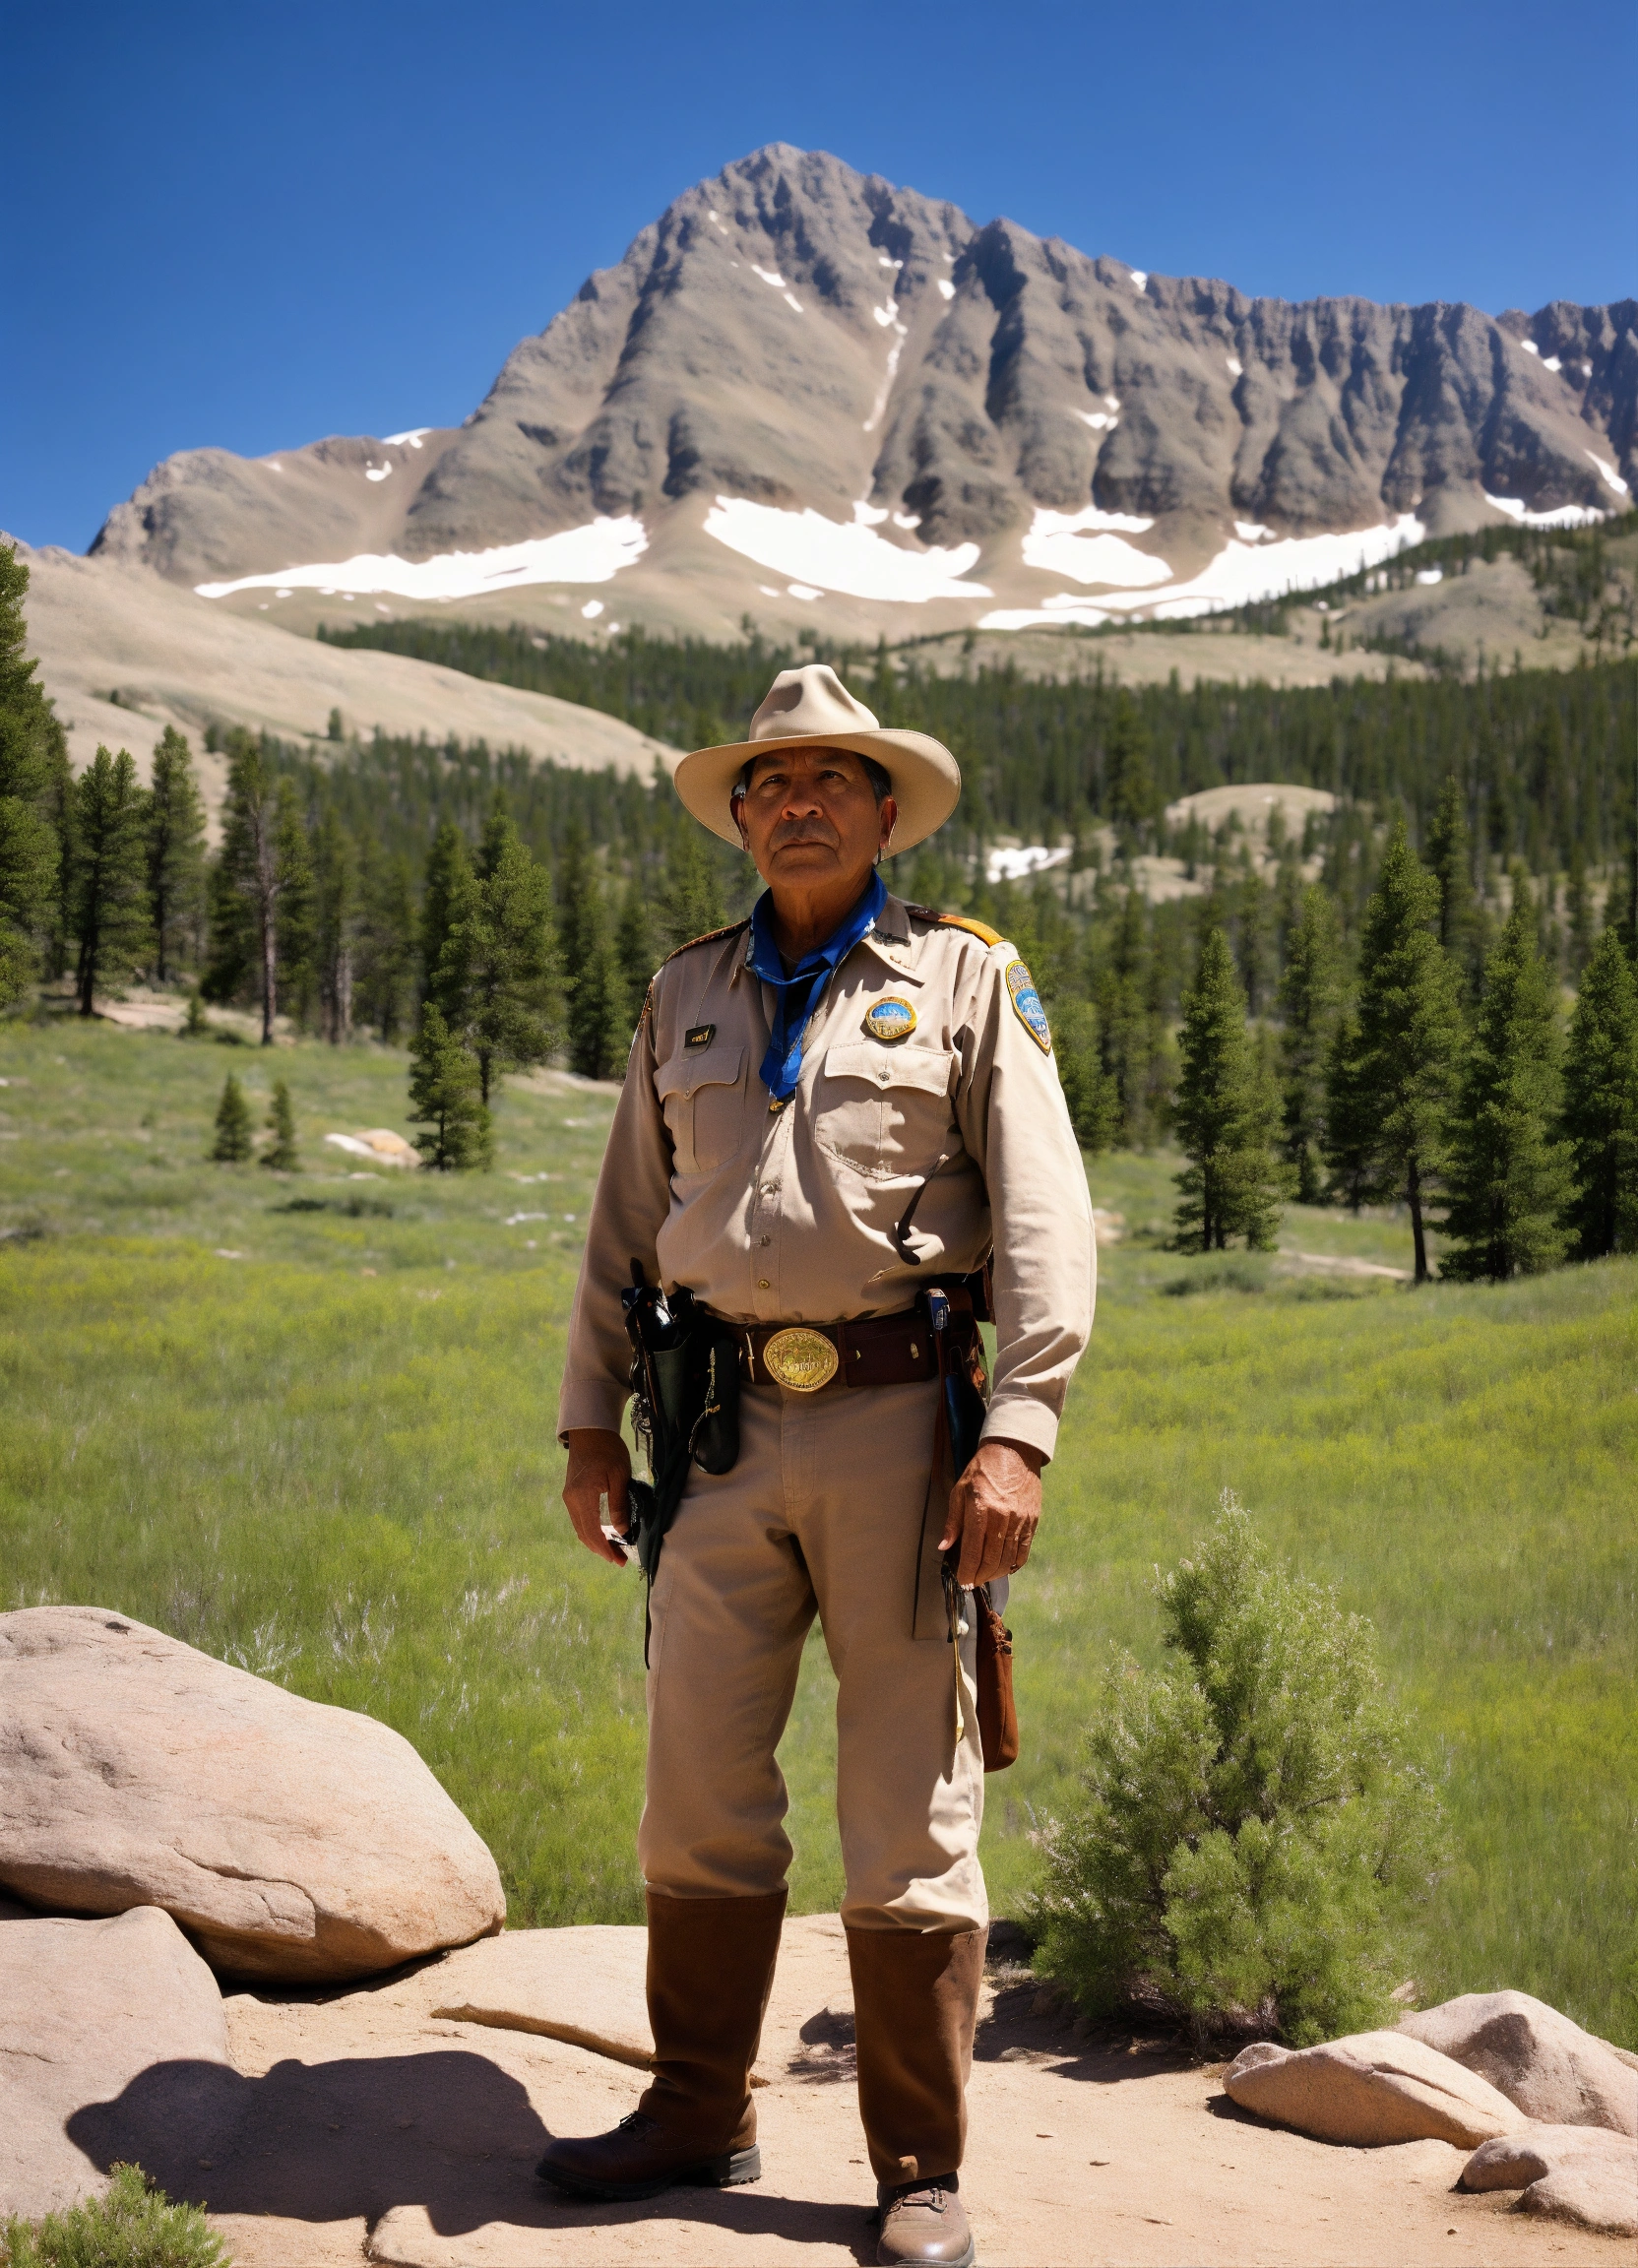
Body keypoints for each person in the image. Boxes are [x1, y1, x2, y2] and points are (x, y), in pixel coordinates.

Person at [539, 662, 1095, 2267]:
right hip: (711, 1433)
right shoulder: (684, 994)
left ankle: (919, 2163)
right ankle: (696, 2112)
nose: (794, 804)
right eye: (767, 784)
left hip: (900, 1426)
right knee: (697, 1787)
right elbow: (622, 1229)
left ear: (880, 811)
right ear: (740, 813)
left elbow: (1048, 1223)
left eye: (827, 781)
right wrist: (590, 1421)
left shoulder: (968, 980)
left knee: (906, 1802)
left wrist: (1022, 1432)